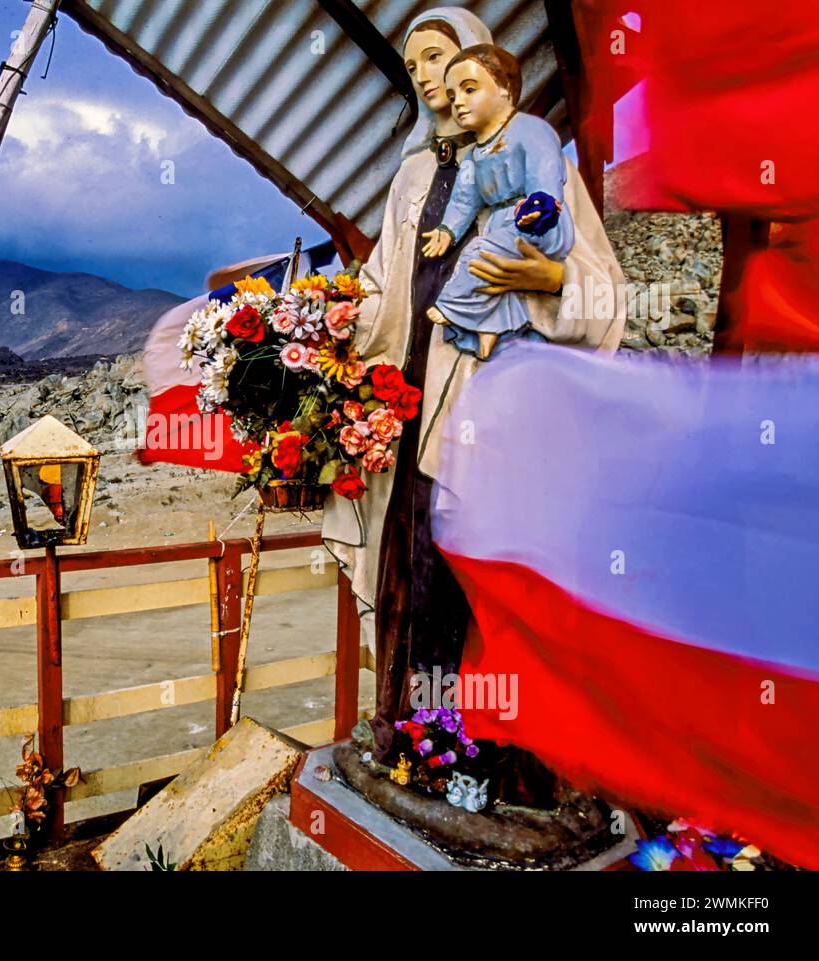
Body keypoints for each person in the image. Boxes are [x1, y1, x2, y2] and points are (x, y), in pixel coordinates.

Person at [320, 6, 625, 765]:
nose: (426, 78)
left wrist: (549, 278)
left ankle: (485, 759)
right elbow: (381, 286)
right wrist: (312, 327)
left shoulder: (531, 157)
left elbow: (604, 295)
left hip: (489, 415)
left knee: (476, 581)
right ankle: (410, 744)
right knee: (409, 580)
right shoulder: (414, 175)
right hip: (408, 408)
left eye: (439, 58)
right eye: (414, 64)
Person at [421, 45, 575, 361]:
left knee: (478, 255)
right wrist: (447, 231)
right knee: (493, 272)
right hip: (503, 224)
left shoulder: (529, 129)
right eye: (452, 97)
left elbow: (545, 171)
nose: (459, 102)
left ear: (505, 88)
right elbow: (464, 201)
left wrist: (539, 209)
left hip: (538, 219)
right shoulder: (474, 158)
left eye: (469, 89)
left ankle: (451, 308)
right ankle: (493, 331)